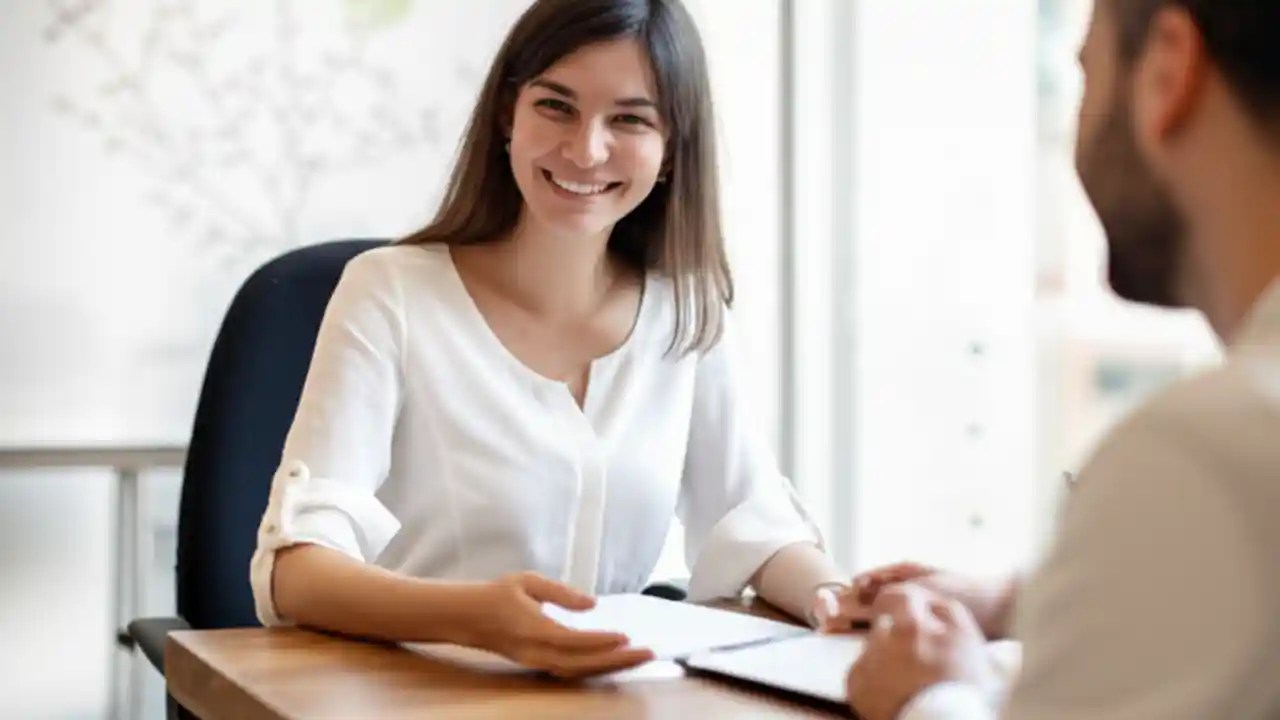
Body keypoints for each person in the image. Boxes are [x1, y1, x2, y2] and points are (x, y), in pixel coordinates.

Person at [248, 0, 845, 680]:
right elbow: (295, 571)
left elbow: (754, 522)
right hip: (418, 692)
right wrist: (476, 618)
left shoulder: (687, 313)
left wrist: (836, 598)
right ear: (509, 115)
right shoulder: (390, 294)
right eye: (556, 107)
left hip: (610, 694)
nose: (586, 149)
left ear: (672, 148)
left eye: (629, 119)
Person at [833, 0, 1280, 717]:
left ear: (1167, 71)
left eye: (1086, 75)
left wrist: (932, 696)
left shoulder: (1206, 452)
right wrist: (1024, 603)